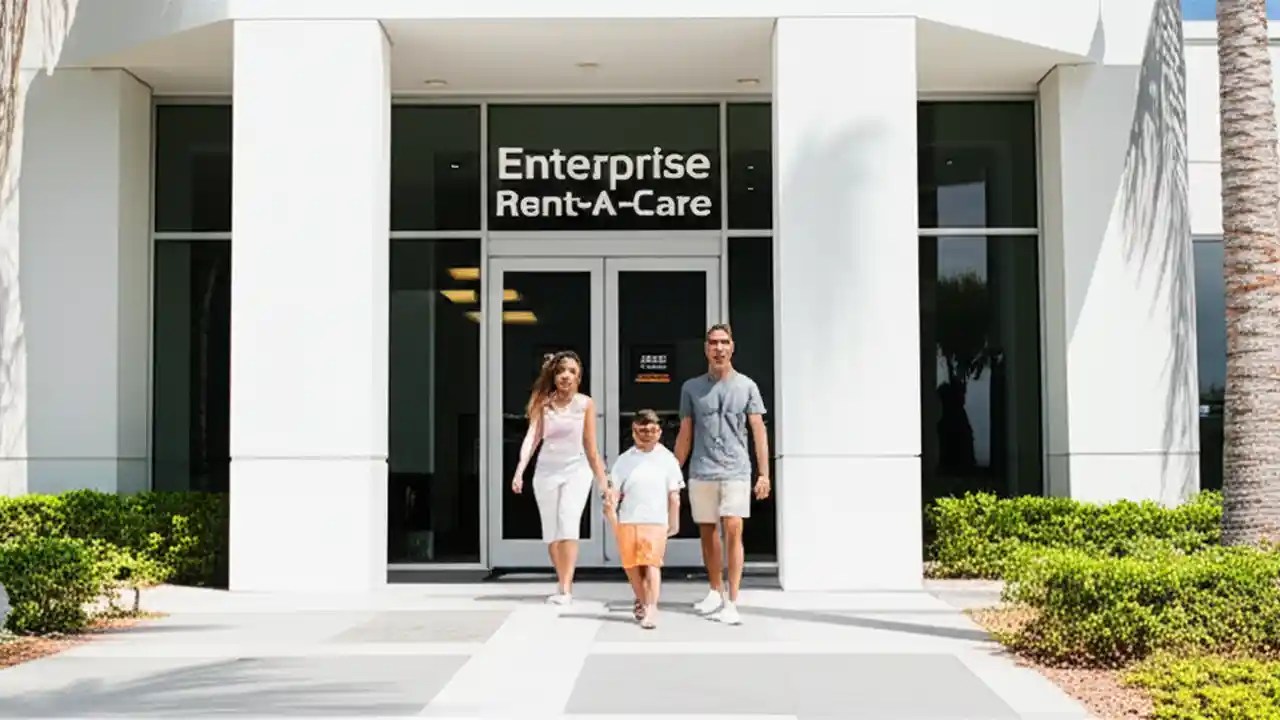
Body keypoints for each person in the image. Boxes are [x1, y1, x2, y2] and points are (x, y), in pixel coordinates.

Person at [674, 324, 769, 625]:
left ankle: (733, 598)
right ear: (706, 348)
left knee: (733, 528)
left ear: (732, 347)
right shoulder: (691, 387)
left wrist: (764, 474)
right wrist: (671, 472)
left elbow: (758, 431)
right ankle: (714, 589)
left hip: (736, 468)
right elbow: (686, 433)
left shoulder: (747, 386)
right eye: (713, 343)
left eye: (724, 342)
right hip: (702, 467)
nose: (718, 348)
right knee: (707, 531)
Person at [511, 350, 612, 604]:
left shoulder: (585, 404)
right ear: (554, 375)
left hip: (576, 470)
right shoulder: (542, 403)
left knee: (568, 522)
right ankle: (561, 580)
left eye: (572, 372)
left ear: (579, 378)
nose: (566, 376)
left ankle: (566, 588)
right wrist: (520, 470)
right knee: (551, 531)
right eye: (561, 371)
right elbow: (532, 437)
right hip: (546, 470)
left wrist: (604, 482)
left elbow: (591, 447)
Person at [605, 409, 683, 629]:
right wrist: (613, 518)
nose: (647, 434)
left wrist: (673, 522)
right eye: (642, 430)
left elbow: (674, 495)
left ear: (659, 431)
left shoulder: (668, 459)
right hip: (628, 519)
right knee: (631, 565)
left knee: (651, 564)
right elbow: (613, 492)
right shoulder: (624, 460)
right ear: (634, 431)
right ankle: (642, 599)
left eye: (652, 430)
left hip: (656, 520)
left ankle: (651, 608)